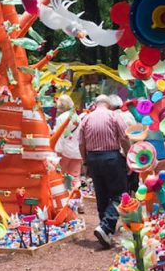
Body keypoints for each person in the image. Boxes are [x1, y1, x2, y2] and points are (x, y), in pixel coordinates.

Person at [79, 94, 129, 248]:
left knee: (101, 195)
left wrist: (85, 161)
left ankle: (104, 232)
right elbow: (124, 138)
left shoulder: (86, 119)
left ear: (95, 104)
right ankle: (105, 227)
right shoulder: (114, 116)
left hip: (92, 158)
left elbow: (81, 143)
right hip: (111, 157)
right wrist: (128, 157)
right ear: (109, 104)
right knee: (119, 195)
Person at [53, 94, 82, 188]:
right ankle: (76, 197)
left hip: (64, 151)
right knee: (75, 177)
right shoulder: (77, 117)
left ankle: (65, 196)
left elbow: (59, 136)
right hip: (77, 151)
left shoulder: (61, 118)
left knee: (62, 176)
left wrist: (57, 152)